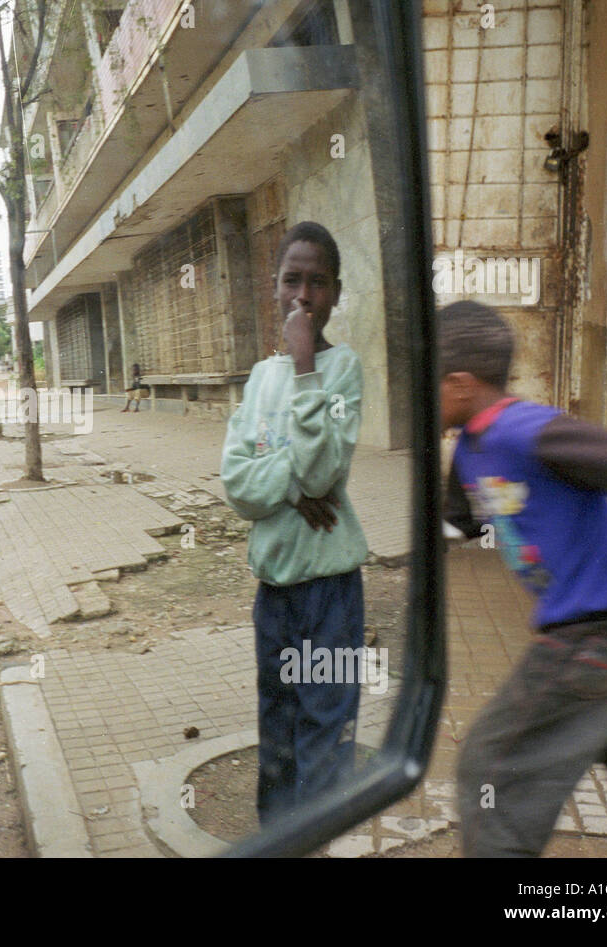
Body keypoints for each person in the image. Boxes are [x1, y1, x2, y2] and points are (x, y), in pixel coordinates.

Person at [439, 299, 607, 856]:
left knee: (491, 770)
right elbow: (456, 523)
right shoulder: (472, 449)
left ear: (458, 384)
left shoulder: (531, 432)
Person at [220, 221, 368, 820]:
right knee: (276, 720)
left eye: (318, 283)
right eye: (291, 281)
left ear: (335, 292)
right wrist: (292, 480)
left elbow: (325, 475)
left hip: (329, 591)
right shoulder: (259, 379)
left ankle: (317, 838)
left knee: (324, 723)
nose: (303, 296)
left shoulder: (345, 369)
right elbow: (236, 483)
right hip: (274, 590)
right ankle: (276, 836)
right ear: (274, 288)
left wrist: (306, 366)